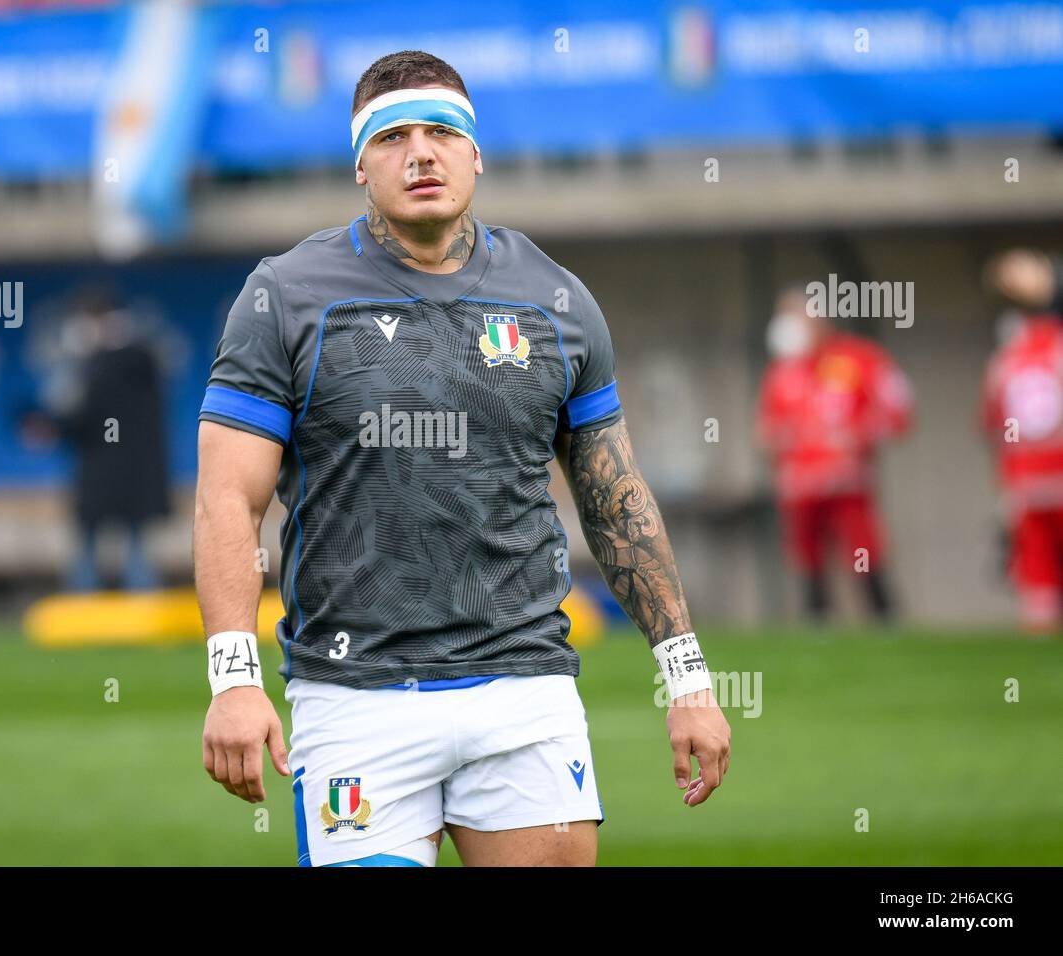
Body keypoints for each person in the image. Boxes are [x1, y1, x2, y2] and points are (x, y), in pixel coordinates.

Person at [193, 50, 729, 867]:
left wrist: (686, 680)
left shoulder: (556, 301)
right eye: (393, 136)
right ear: (361, 166)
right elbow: (228, 500)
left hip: (525, 690)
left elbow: (616, 501)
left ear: (475, 154)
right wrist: (233, 678)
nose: (421, 153)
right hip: (354, 697)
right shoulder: (285, 297)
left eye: (442, 131)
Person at [756, 284, 913, 621]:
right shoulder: (782, 373)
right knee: (807, 557)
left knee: (864, 550)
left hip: (847, 484)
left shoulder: (859, 358)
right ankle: (819, 622)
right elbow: (767, 430)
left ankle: (883, 617)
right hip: (800, 488)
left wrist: (857, 437)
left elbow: (897, 413)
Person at [22, 287, 170, 591]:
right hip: (135, 475)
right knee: (136, 548)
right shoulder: (144, 359)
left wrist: (54, 426)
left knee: (93, 550)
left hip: (102, 474)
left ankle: (82, 614)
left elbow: (86, 415)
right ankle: (140, 620)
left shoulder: (102, 365)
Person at [980, 248, 1063, 633]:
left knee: (1039, 584)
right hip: (1043, 479)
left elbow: (992, 425)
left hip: (1026, 483)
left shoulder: (1005, 361)